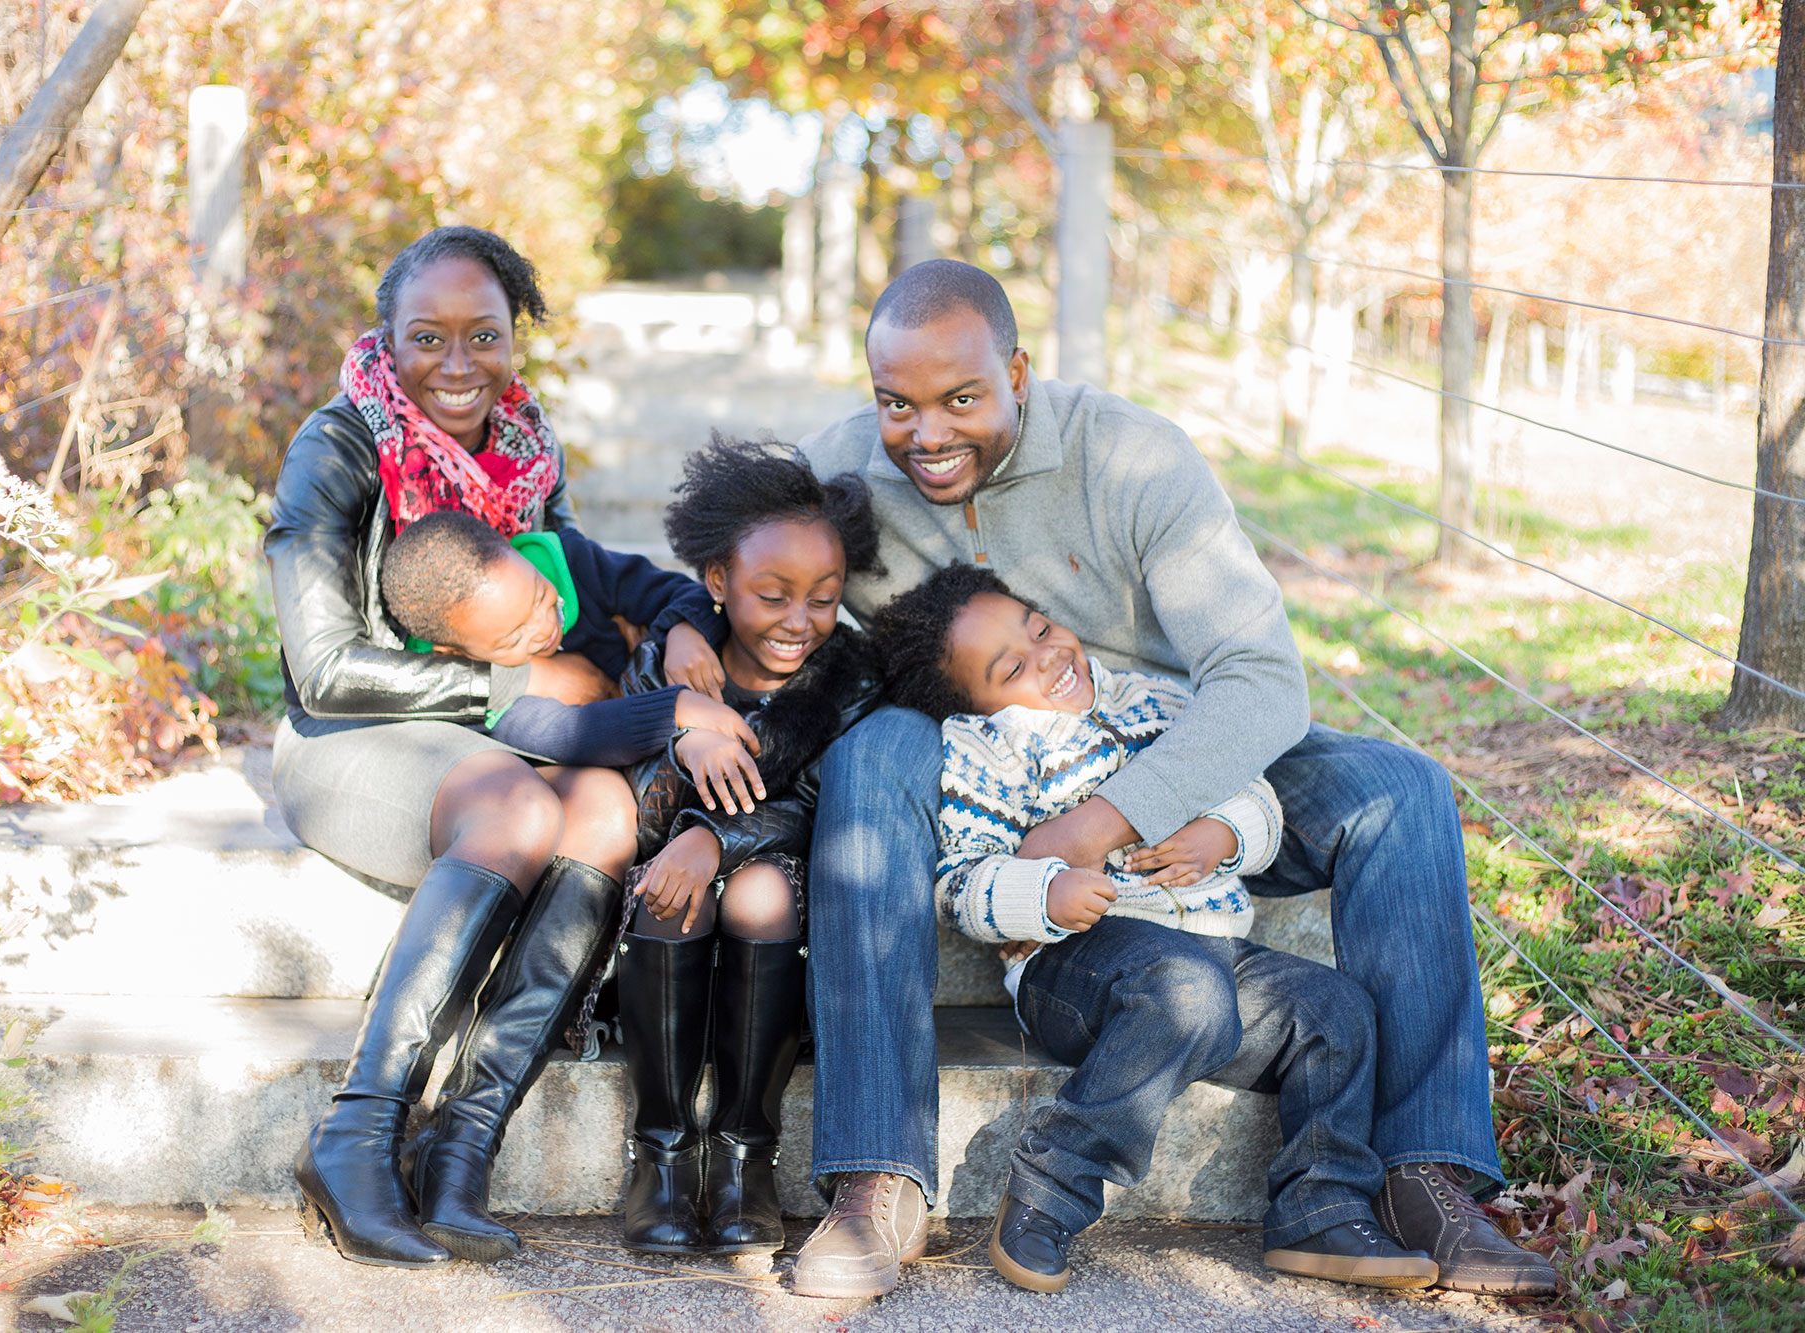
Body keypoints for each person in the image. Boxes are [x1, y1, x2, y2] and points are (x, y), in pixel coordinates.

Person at [789, 259, 1555, 1298]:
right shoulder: (838, 473)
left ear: (1016, 370)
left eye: (961, 398)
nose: (926, 434)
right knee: (872, 748)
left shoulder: (1132, 459)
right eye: (897, 404)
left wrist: (1108, 818)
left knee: (1400, 788)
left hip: (1170, 763)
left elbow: (1258, 681)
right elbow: (759, 599)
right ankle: (874, 1175)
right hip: (990, 781)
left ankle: (1422, 1174)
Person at [265, 226, 724, 1268]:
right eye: (428, 337)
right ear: (386, 339)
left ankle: (461, 1148)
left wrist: (680, 617)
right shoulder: (336, 448)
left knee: (604, 811)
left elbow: (572, 585)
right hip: (357, 735)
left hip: (489, 734)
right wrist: (505, 686)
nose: (458, 363)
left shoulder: (524, 446)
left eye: (484, 335)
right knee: (521, 809)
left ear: (516, 338)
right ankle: (357, 1133)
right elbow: (325, 667)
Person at [871, 564, 1438, 1294]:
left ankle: (1319, 1204)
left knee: (1338, 1010)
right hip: (1076, 964)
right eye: (1012, 665)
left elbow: (1252, 792)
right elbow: (960, 886)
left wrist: (1225, 835)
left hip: (1212, 947)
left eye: (1040, 627)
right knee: (1186, 992)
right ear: (971, 699)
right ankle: (1052, 1182)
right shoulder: (985, 750)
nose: (1045, 654)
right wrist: (1045, 891)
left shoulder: (1158, 700)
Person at [570, 437, 881, 1258]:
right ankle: (664, 1153)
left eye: (823, 595)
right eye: (772, 594)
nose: (798, 619)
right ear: (719, 583)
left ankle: (747, 1151)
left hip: (780, 897)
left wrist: (717, 836)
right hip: (667, 894)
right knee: (677, 894)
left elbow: (816, 805)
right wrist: (683, 740)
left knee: (761, 890)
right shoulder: (672, 662)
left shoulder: (846, 675)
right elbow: (634, 801)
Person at [379, 509, 758, 768]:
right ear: (456, 654)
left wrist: (684, 631)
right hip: (641, 758)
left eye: (539, 596)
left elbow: (677, 591)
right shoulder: (477, 696)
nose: (544, 628)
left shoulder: (569, 562)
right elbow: (566, 734)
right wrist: (672, 709)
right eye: (513, 638)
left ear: (515, 553)